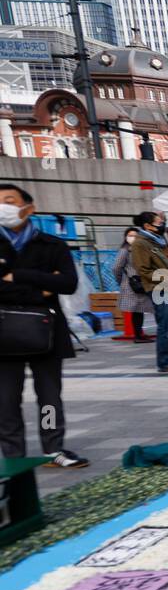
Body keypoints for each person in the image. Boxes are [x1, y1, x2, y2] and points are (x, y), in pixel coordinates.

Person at [0, 184, 88, 467]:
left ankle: (53, 448)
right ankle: (14, 456)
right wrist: (41, 288)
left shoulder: (52, 244)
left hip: (47, 332)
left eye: (9, 201)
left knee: (49, 397)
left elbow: (67, 282)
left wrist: (18, 276)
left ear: (29, 207)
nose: (4, 207)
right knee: (6, 401)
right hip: (4, 335)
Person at [132, 209, 168, 372]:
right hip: (159, 288)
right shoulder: (140, 243)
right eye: (159, 222)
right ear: (147, 226)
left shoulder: (160, 239)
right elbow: (143, 270)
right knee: (166, 325)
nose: (162, 224)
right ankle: (164, 362)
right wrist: (165, 278)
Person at [111, 226, 151, 343]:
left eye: (135, 235)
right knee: (136, 310)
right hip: (132, 283)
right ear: (125, 237)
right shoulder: (125, 250)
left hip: (140, 283)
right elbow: (116, 267)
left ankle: (139, 334)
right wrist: (121, 281)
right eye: (130, 235)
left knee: (139, 310)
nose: (133, 238)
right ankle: (137, 335)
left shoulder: (141, 250)